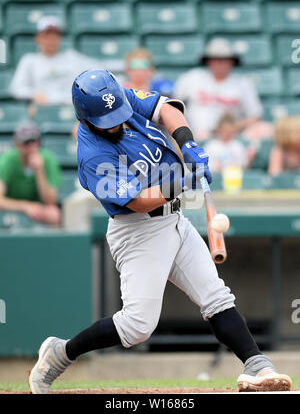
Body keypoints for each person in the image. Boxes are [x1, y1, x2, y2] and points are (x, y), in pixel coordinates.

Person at [29, 70, 292, 394]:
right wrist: (183, 182)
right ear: (86, 117)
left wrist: (188, 143)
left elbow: (166, 109)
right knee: (138, 325)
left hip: (173, 219)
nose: (116, 123)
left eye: (117, 115)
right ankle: (61, 352)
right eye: (107, 120)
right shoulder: (93, 155)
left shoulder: (116, 99)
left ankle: (257, 365)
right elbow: (138, 202)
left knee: (215, 295)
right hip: (137, 231)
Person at [9, 15, 122, 107]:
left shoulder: (71, 57)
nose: (51, 40)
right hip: (44, 108)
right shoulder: (30, 60)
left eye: (55, 36)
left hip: (71, 108)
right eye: (47, 36)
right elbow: (17, 88)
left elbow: (100, 67)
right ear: (38, 38)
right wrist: (34, 94)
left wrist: (129, 64)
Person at [174, 38, 263, 141]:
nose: (220, 63)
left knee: (262, 129)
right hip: (196, 133)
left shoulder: (242, 83)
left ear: (231, 62)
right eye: (215, 59)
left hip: (230, 137)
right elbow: (174, 104)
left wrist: (233, 126)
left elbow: (255, 115)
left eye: (225, 59)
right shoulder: (193, 77)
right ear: (208, 61)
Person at [0, 122, 61, 225]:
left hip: (38, 208)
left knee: (54, 214)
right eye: (26, 143)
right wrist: (25, 206)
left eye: (34, 142)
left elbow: (50, 201)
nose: (31, 147)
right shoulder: (7, 160)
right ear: (17, 144)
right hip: (12, 207)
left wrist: (39, 171)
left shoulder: (48, 159)